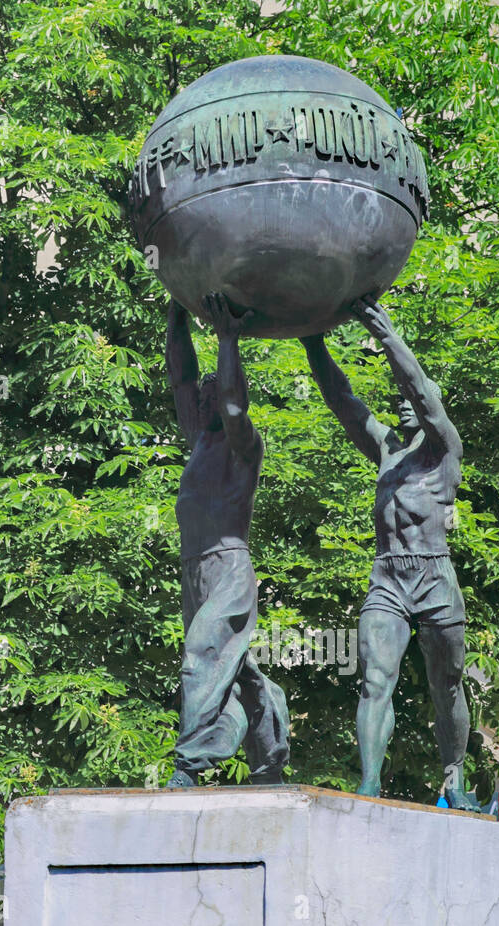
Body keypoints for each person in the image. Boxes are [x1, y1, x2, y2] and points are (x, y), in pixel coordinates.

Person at [303, 294, 473, 805]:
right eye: (395, 397)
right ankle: (371, 780)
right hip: (388, 578)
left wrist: (384, 332)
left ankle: (455, 778)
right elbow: (341, 398)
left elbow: (420, 389)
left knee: (446, 686)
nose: (401, 402)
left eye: (409, 398)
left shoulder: (443, 452)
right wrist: (309, 333)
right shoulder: (385, 452)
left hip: (436, 578)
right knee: (375, 678)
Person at [164, 293, 289, 788]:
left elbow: (235, 404)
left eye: (208, 394)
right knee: (234, 672)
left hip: (229, 568)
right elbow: (180, 375)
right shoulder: (199, 438)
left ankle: (189, 767)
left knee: (201, 659)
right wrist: (175, 303)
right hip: (194, 568)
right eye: (200, 397)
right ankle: (270, 752)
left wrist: (227, 338)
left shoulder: (244, 445)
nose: (198, 399)